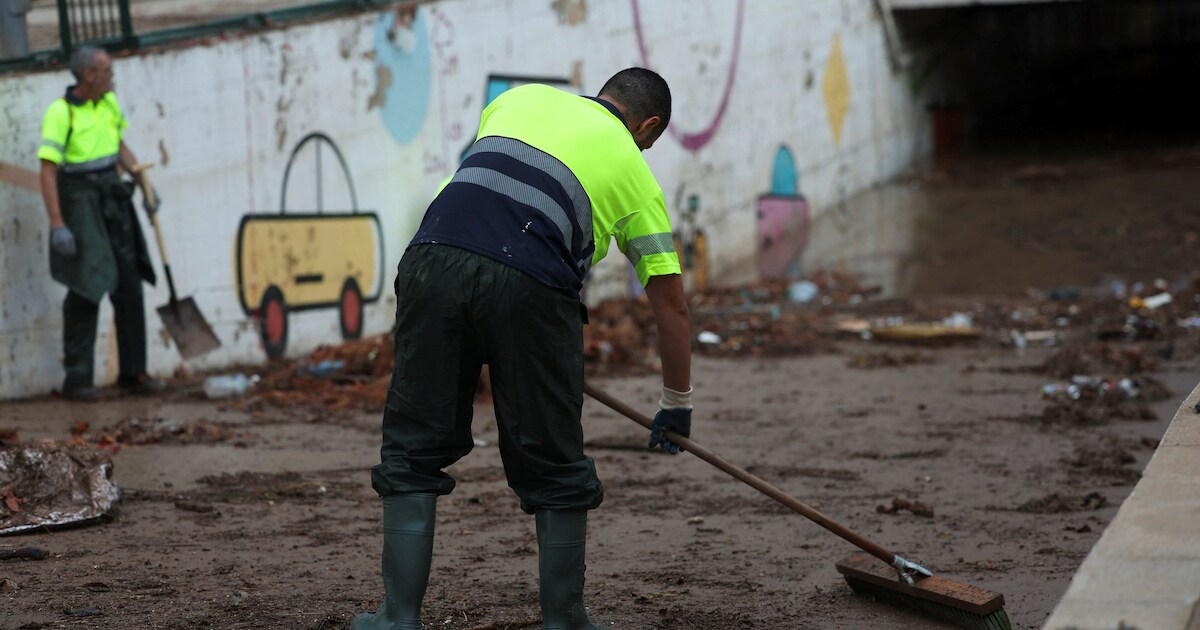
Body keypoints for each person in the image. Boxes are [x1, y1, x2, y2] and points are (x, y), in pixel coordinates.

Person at [355, 68, 693, 630]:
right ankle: (564, 621)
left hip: (430, 261)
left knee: (412, 448)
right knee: (554, 461)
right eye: (649, 143)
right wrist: (676, 401)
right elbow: (672, 307)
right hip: (533, 285)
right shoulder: (636, 176)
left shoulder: (519, 100)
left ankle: (396, 619)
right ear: (649, 126)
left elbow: (489, 193)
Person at [37, 45, 165, 401]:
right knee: (86, 284)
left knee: (129, 282)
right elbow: (48, 172)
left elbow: (120, 148)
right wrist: (57, 223)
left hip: (112, 193)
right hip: (79, 197)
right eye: (107, 70)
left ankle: (133, 372)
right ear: (89, 75)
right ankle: (77, 379)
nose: (113, 76)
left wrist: (144, 186)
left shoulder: (108, 102)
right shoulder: (60, 114)